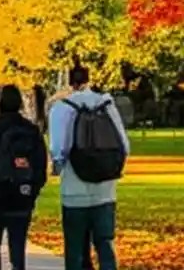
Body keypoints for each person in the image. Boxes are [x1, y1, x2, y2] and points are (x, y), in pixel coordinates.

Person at [48, 66, 130, 270]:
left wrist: (58, 167)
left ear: (69, 83)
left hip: (74, 192)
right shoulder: (107, 104)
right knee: (105, 245)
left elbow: (58, 149)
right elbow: (124, 146)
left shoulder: (62, 107)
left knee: (75, 250)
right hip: (105, 191)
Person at [0, 85, 48, 270]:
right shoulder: (31, 131)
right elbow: (41, 168)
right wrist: (32, 192)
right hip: (22, 199)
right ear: (20, 104)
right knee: (18, 248)